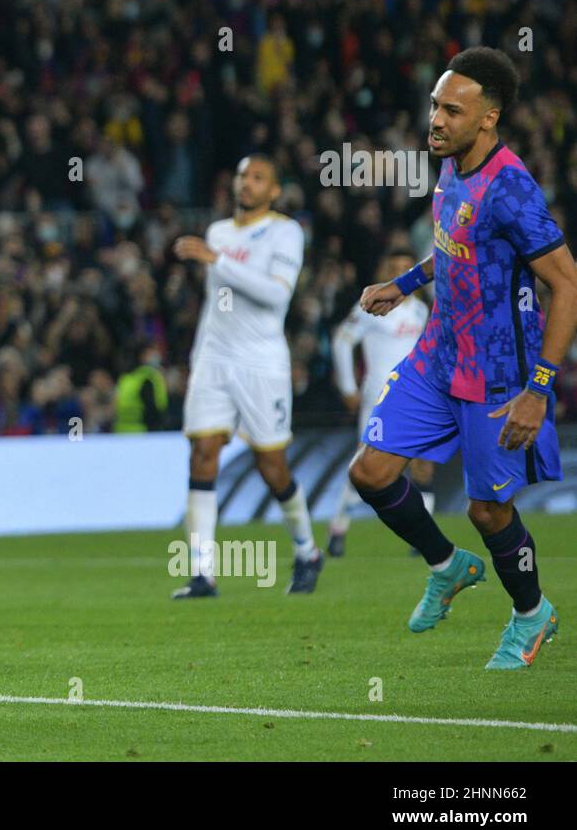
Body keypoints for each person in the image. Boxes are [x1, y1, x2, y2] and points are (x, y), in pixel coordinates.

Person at [349, 47, 576, 669]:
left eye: (453, 110)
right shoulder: (451, 168)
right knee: (370, 474)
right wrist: (407, 281)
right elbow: (458, 249)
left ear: (488, 119)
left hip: (498, 373)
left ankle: (532, 615)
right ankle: (448, 566)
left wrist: (538, 388)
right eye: (434, 106)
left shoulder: (511, 188)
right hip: (438, 356)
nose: (437, 120)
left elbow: (567, 281)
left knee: (486, 509)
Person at [172, 154, 324, 598]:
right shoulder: (218, 231)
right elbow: (217, 301)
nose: (247, 184)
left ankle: (307, 550)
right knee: (202, 453)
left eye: (258, 178)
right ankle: (203, 573)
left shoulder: (285, 231)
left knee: (271, 466)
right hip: (214, 359)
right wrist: (199, 358)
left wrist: (217, 259)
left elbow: (275, 296)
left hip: (261, 362)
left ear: (274, 190)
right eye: (241, 176)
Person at [328, 249, 432, 556]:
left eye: (406, 268)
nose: (400, 273)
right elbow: (341, 341)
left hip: (415, 393)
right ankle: (338, 526)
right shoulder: (371, 304)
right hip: (379, 395)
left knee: (423, 463)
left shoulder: (422, 310)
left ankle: (422, 539)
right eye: (394, 267)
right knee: (368, 465)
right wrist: (348, 387)